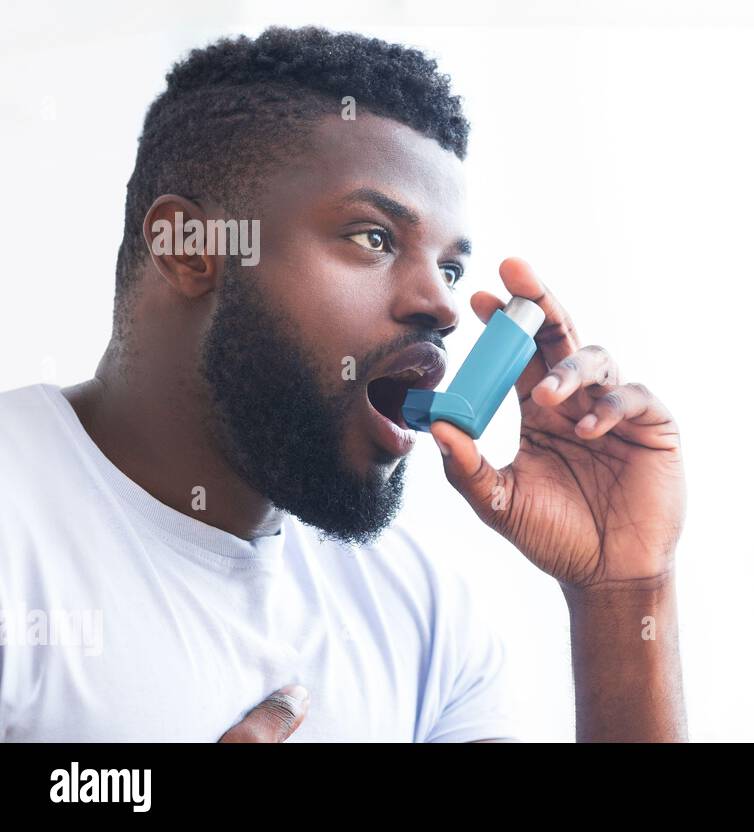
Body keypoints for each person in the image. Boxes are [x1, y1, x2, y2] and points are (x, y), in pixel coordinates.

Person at [0, 26, 686, 742]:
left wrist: (624, 594)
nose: (445, 308)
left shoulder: (422, 615)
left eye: (451, 269)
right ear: (192, 250)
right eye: (373, 238)